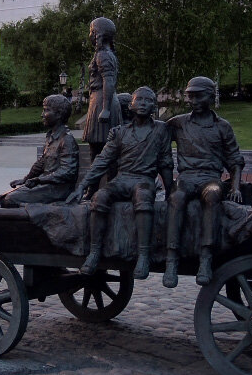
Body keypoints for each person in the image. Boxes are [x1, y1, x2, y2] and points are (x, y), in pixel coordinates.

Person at [68, 87, 173, 279]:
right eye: (138, 99)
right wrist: (83, 186)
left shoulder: (161, 130)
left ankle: (143, 256)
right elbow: (102, 161)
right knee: (100, 197)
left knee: (143, 198)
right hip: (122, 178)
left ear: (154, 106)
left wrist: (169, 191)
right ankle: (94, 252)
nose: (142, 103)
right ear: (130, 105)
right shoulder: (120, 132)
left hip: (144, 180)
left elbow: (166, 162)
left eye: (147, 100)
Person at [165, 77, 244, 287]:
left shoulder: (222, 127)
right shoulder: (178, 123)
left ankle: (205, 259)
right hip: (186, 178)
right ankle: (171, 260)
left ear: (210, 96)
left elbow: (235, 160)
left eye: (198, 96)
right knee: (177, 196)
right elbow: (153, 135)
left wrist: (235, 186)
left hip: (210, 179)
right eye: (190, 96)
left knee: (213, 194)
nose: (193, 100)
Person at [0, 94, 79, 207]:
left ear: (59, 114)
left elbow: (67, 172)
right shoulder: (51, 136)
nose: (42, 114)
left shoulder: (67, 140)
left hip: (58, 190)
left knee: (9, 199)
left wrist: (39, 180)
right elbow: (42, 162)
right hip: (46, 185)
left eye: (46, 110)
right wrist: (26, 179)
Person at [81, 17, 122, 162]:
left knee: (101, 149)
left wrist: (105, 109)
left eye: (91, 31)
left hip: (102, 102)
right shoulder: (105, 53)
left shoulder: (103, 55)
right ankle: (96, 183)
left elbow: (108, 81)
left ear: (98, 34)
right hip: (101, 101)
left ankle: (99, 183)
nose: (90, 35)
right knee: (100, 149)